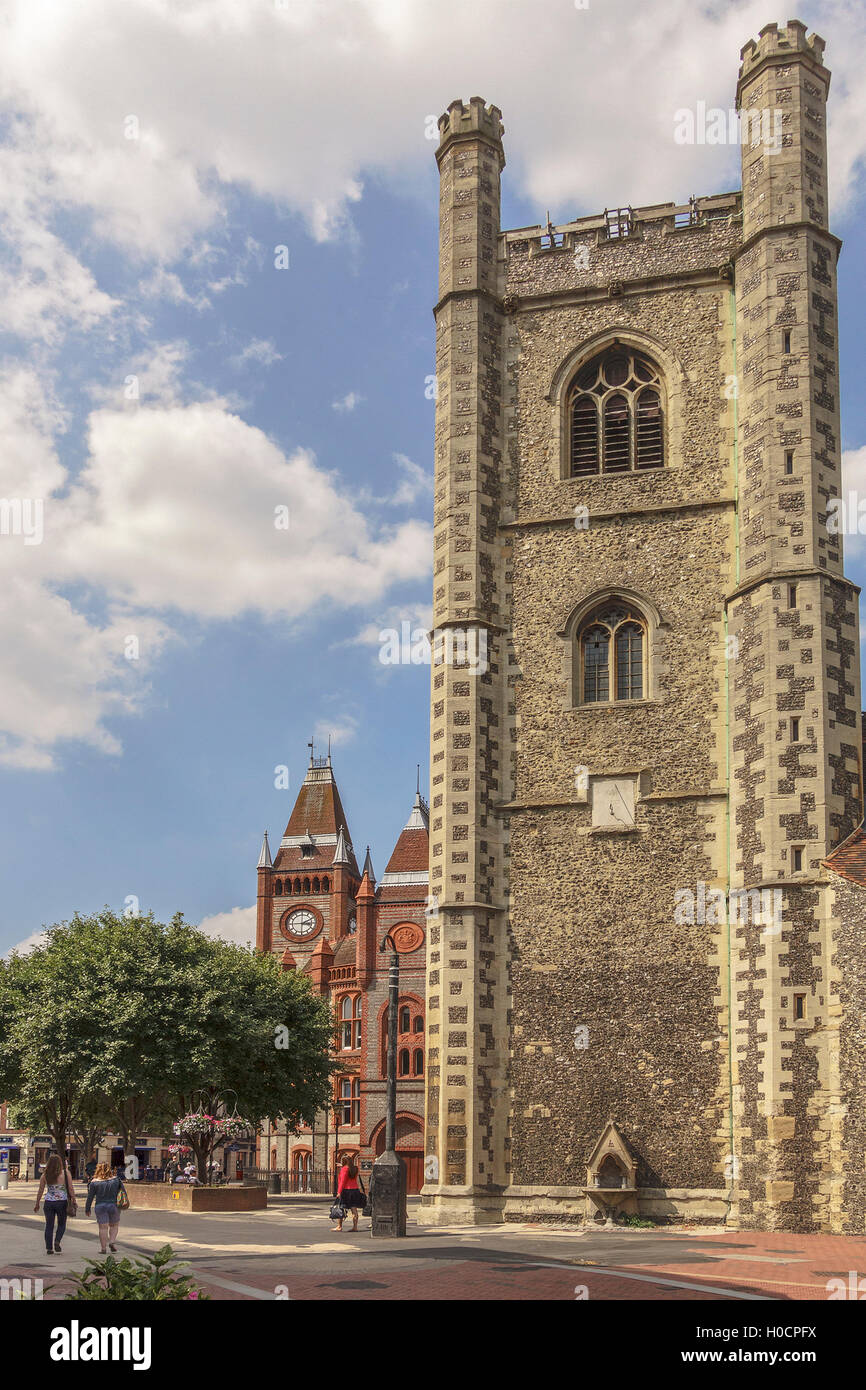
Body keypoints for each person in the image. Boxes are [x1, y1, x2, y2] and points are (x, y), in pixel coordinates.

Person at [34, 1152, 76, 1255]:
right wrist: (74, 1199)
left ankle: (49, 1248)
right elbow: (70, 1188)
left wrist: (37, 1203)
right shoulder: (65, 1173)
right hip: (62, 1202)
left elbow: (40, 1190)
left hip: (49, 1202)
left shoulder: (45, 1175)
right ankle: (57, 1241)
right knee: (61, 1224)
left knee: (49, 1225)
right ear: (60, 1163)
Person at [84, 1161, 128, 1254]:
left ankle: (103, 1249)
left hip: (100, 1206)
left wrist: (87, 1208)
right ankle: (112, 1242)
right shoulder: (116, 1180)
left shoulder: (94, 1182)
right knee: (114, 1225)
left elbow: (90, 1197)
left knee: (103, 1228)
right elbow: (123, 1192)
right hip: (113, 1205)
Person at [334, 1159, 366, 1233]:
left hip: (346, 1191)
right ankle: (355, 1227)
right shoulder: (355, 1169)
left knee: (341, 1208)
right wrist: (342, 1166)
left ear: (344, 1162)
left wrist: (339, 1192)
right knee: (354, 1210)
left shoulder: (344, 1169)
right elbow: (350, 1170)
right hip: (355, 1190)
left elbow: (343, 1181)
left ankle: (339, 1226)